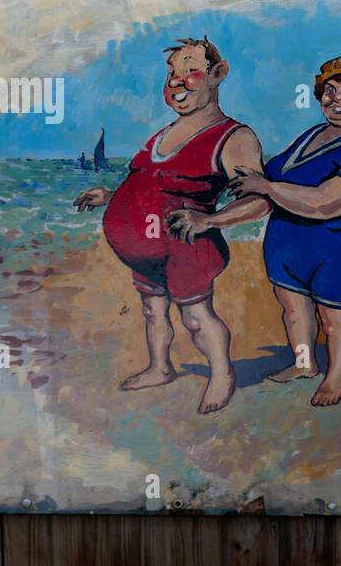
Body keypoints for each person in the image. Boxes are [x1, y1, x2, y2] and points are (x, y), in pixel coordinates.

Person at [170, 51, 341, 407]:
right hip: (286, 248)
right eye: (330, 91)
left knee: (338, 324)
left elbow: (326, 202)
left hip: (340, 253)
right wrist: (211, 220)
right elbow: (263, 194)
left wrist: (268, 188)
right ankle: (305, 365)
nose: (337, 100)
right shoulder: (312, 135)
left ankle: (339, 373)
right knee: (295, 315)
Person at [73, 37, 261, 414]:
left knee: (195, 316)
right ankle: (160, 367)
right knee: (152, 311)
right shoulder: (161, 134)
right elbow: (148, 187)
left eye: (190, 71)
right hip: (145, 253)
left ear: (217, 75)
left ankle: (221, 375)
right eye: (172, 74)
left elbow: (258, 200)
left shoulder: (233, 137)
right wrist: (110, 196)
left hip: (186, 247)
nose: (178, 82)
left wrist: (210, 220)